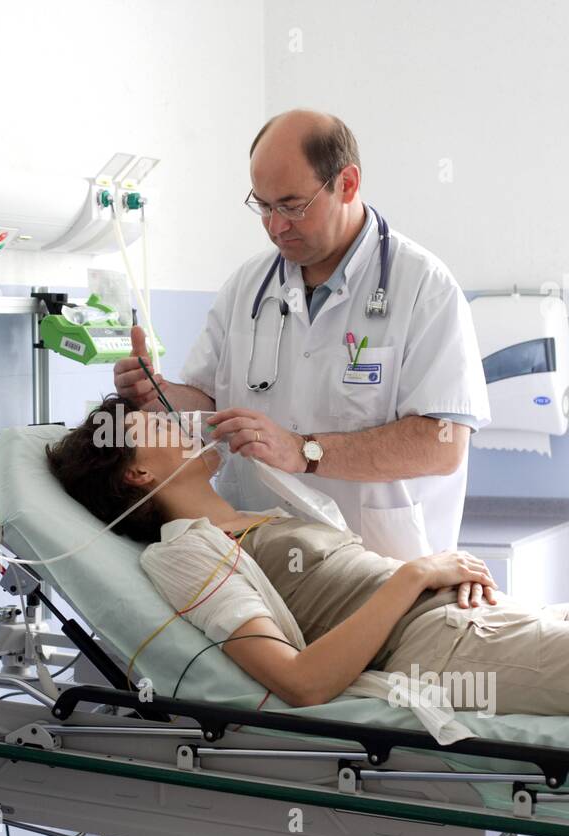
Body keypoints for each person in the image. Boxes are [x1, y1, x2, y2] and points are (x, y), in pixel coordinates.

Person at [46, 396, 569, 722]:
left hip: (480, 618)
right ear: (138, 472)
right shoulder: (183, 552)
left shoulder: (248, 512)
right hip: (447, 651)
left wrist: (445, 574)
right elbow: (300, 681)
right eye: (157, 422)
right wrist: (419, 574)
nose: (180, 419)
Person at [114, 109, 491, 561]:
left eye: (292, 206)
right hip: (265, 561)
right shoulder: (246, 287)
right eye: (264, 206)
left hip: (387, 565)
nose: (276, 226)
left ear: (346, 184)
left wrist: (305, 451)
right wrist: (162, 395)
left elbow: (441, 444)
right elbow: (212, 407)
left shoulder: (423, 287)